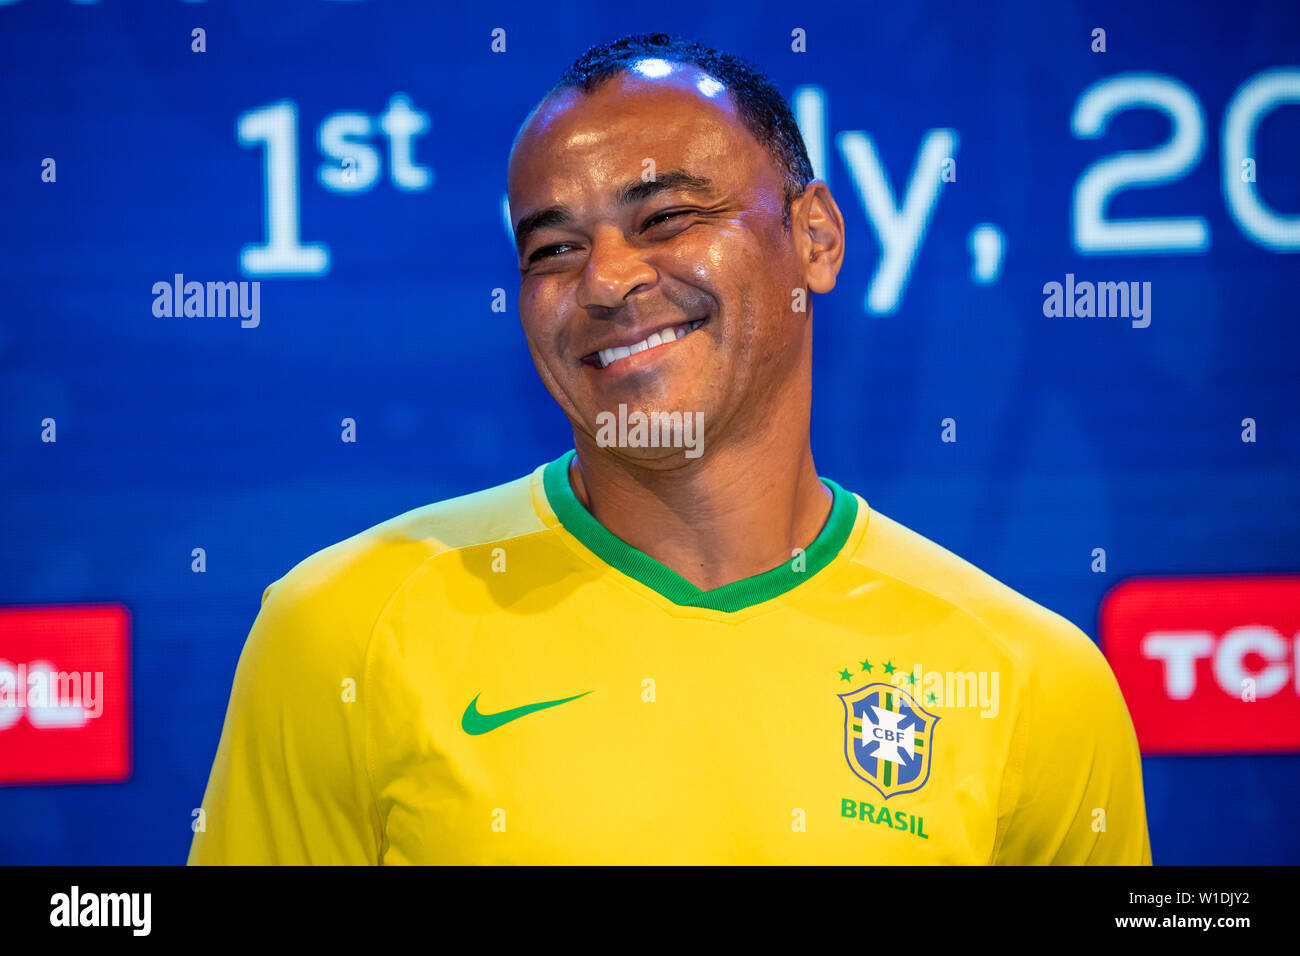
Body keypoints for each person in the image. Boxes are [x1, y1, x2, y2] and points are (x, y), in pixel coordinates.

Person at [189, 33, 1151, 864]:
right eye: (553, 250)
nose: (607, 280)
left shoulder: (1032, 679)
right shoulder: (344, 630)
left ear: (815, 237)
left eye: (666, 219)